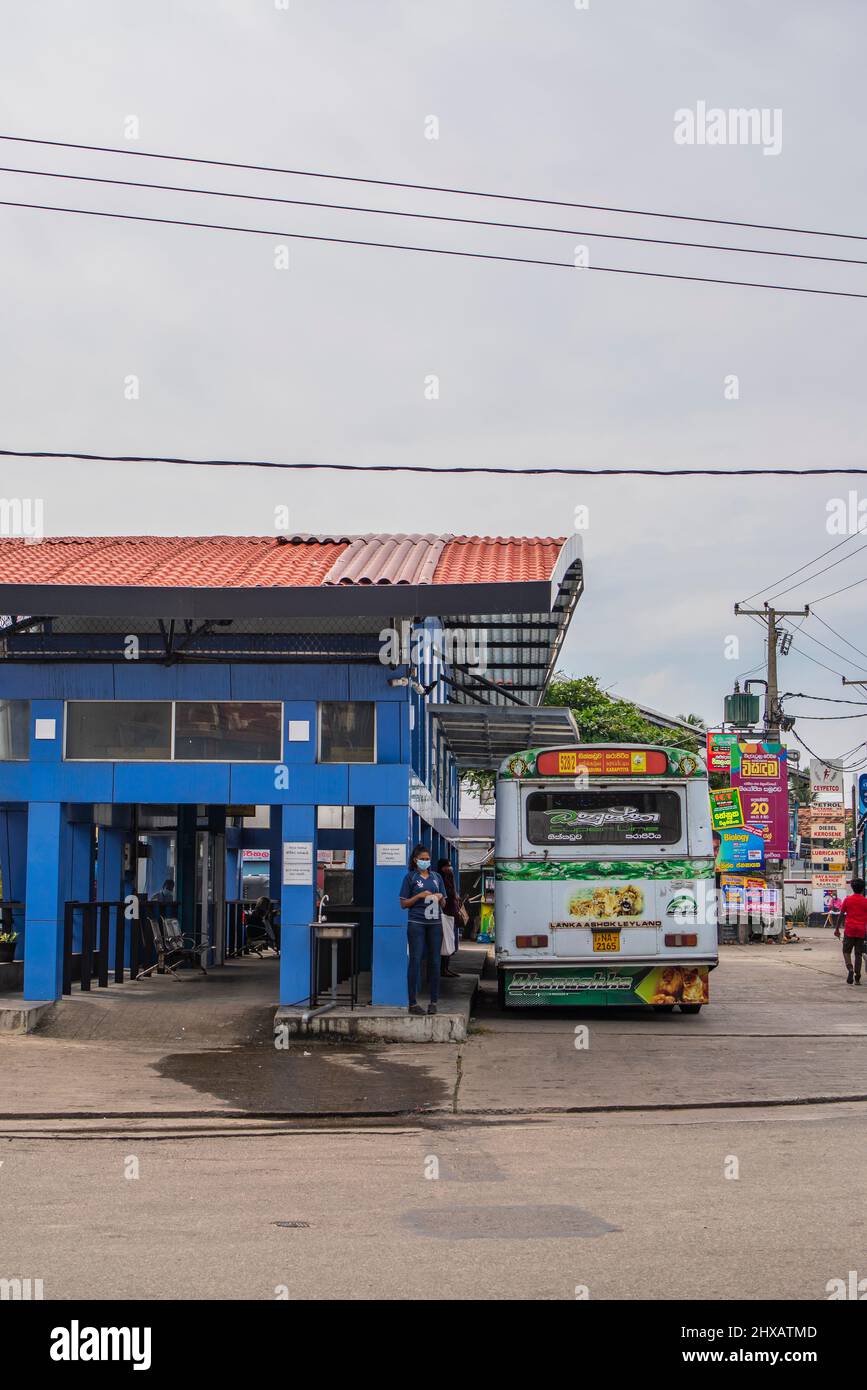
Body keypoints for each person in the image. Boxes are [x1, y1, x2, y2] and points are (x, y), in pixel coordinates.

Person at [399, 845, 445, 1016]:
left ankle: (433, 1002)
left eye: (427, 859)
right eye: (422, 859)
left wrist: (440, 898)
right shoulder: (410, 878)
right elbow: (403, 904)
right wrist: (418, 896)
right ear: (415, 860)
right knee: (415, 960)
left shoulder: (436, 877)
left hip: (435, 923)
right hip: (416, 923)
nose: (425, 861)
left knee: (434, 962)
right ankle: (412, 1003)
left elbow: (445, 903)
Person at [835, 878, 867, 985]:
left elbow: (841, 915)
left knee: (846, 951)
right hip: (861, 931)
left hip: (849, 930)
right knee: (858, 954)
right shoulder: (865, 901)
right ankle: (857, 977)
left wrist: (837, 929)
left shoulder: (848, 900)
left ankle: (850, 969)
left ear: (852, 888)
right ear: (863, 889)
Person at [437, 857, 462, 978]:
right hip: (444, 914)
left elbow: (453, 892)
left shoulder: (449, 877)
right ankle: (443, 969)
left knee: (449, 940)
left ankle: (446, 968)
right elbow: (446, 894)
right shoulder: (439, 878)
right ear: (442, 868)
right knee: (445, 941)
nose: (449, 868)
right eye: (447, 866)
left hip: (451, 913)